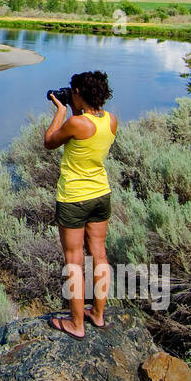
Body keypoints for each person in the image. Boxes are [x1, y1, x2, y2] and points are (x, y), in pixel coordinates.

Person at [43, 70, 117, 339]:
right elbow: (88, 128)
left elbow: (49, 142)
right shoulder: (111, 121)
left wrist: (61, 111)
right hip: (101, 194)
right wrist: (76, 108)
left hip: (74, 198)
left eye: (72, 91)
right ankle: (97, 314)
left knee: (74, 260)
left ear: (78, 93)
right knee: (99, 254)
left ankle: (76, 323)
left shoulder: (77, 124)